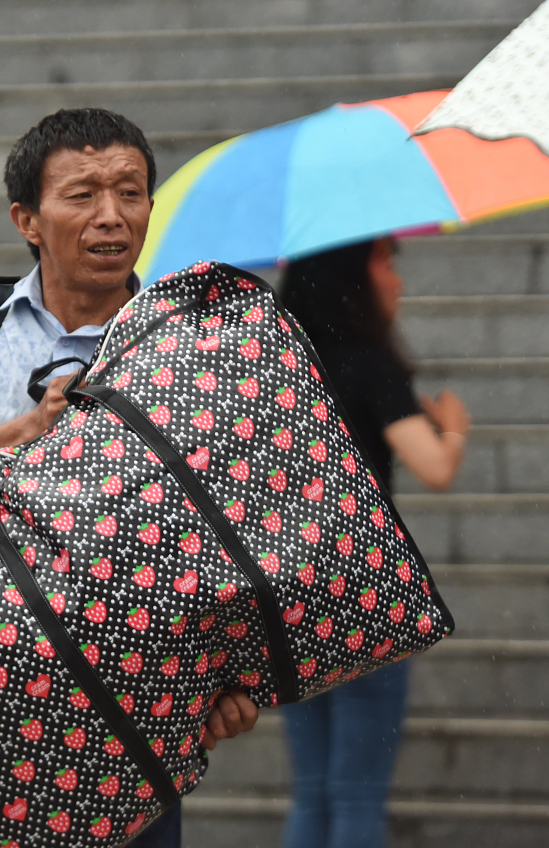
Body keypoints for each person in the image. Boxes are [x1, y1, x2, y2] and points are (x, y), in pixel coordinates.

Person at [0, 107, 259, 848]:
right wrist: (21, 434)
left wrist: (232, 674)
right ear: (28, 219)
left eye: (130, 192)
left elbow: (230, 528)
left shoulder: (184, 340)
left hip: (138, 706)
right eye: (82, 195)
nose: (111, 216)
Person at [278, 238, 470, 848]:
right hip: (367, 593)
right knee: (358, 797)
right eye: (385, 262)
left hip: (293, 594)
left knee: (313, 793)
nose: (396, 280)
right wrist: (456, 430)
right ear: (352, 277)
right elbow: (434, 467)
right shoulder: (371, 362)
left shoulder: (282, 367)